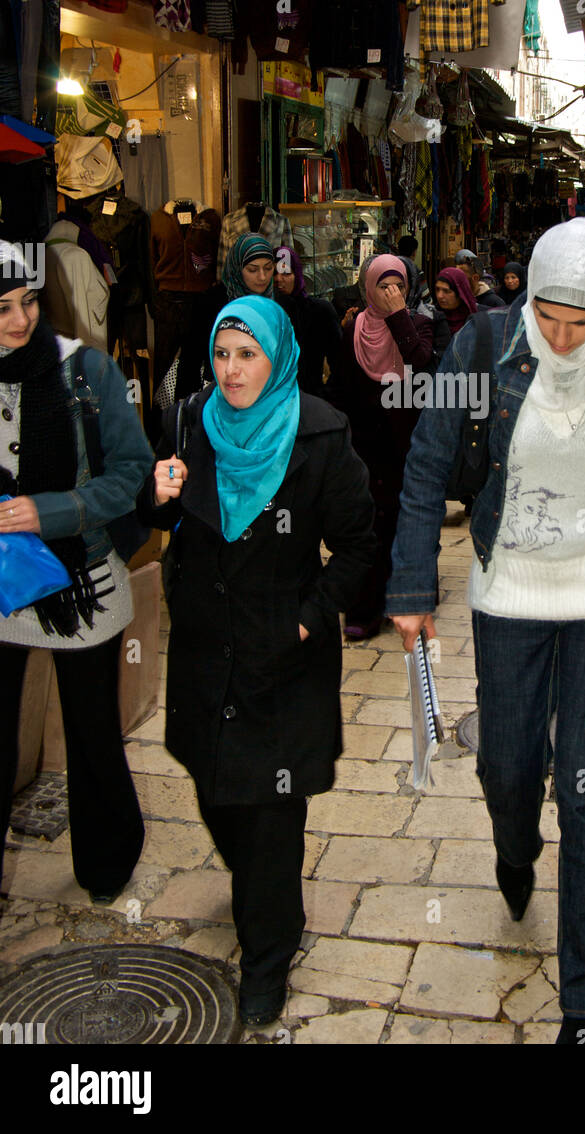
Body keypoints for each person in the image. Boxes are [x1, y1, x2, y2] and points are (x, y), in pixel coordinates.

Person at [385, 218, 585, 1044]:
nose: (562, 339)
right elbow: (428, 459)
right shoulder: (481, 345)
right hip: (510, 591)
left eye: (583, 322)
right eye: (548, 317)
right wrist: (412, 584)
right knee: (508, 764)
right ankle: (512, 845)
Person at [139, 295, 375, 1026]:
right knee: (216, 792)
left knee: (271, 813)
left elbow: (363, 543)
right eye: (222, 354)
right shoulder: (191, 426)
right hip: (209, 650)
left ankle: (267, 957)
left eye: (248, 354)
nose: (232, 370)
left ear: (277, 358)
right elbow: (163, 518)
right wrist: (154, 499)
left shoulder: (321, 434)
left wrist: (309, 620)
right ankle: (264, 896)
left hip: (282, 655)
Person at [0, 241, 153, 905]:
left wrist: (52, 511)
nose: (17, 320)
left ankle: (107, 862)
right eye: (1, 308)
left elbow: (133, 475)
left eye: (27, 302)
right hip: (4, 590)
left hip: (78, 582)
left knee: (91, 734)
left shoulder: (85, 372)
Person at [332, 254, 433, 640]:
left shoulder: (421, 324)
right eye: (383, 286)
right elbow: (340, 387)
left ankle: (403, 599)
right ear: (368, 287)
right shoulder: (352, 330)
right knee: (364, 523)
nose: (392, 293)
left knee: (400, 521)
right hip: (362, 444)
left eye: (399, 286)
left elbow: (421, 364)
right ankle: (364, 607)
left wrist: (397, 317)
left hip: (404, 443)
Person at [273, 246, 342, 397]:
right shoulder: (267, 313)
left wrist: (325, 397)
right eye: (273, 273)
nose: (278, 279)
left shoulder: (320, 311)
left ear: (296, 274)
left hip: (310, 399)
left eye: (285, 273)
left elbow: (340, 364)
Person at [434, 267, 478, 335]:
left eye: (446, 291)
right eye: (437, 289)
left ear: (459, 293)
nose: (440, 296)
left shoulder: (477, 319)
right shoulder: (432, 317)